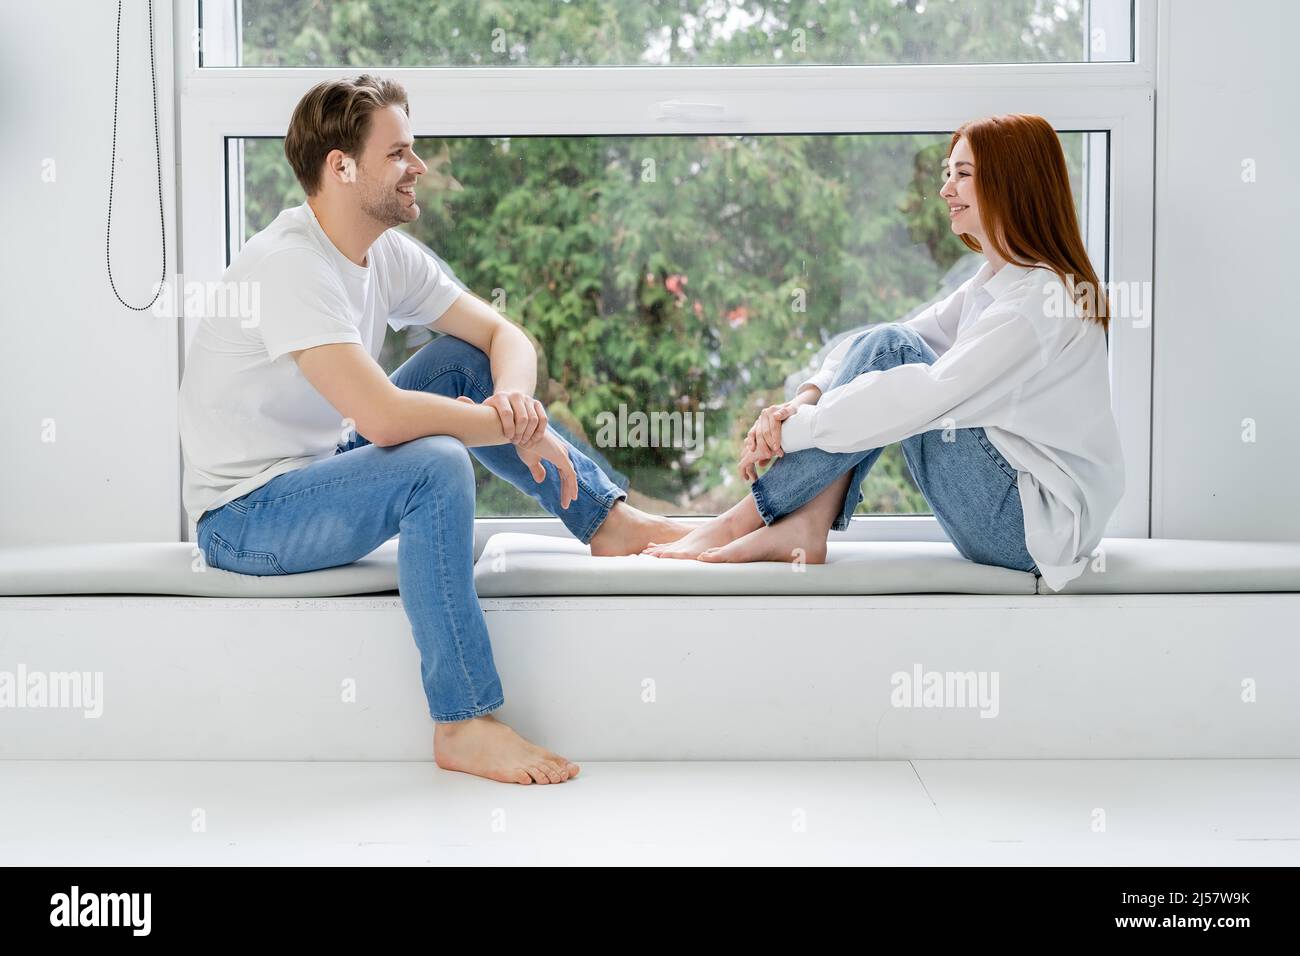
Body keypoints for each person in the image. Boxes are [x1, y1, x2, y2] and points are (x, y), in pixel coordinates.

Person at [179, 75, 689, 785]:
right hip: (246, 516)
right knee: (437, 465)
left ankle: (608, 523)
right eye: (399, 153)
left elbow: (501, 334)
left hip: (320, 471)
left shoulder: (380, 252)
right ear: (341, 167)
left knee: (460, 360)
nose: (419, 167)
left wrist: (515, 407)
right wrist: (505, 428)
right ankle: (462, 721)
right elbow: (384, 417)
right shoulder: (290, 265)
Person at [644, 113, 1126, 595]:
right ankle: (806, 525)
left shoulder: (1037, 304)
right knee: (889, 345)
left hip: (1027, 530)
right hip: (1011, 512)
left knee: (894, 362)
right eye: (947, 173)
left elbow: (924, 396)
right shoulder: (999, 284)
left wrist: (794, 432)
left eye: (963, 174)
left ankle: (740, 521)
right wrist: (805, 399)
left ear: (1011, 184)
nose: (945, 190)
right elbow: (886, 340)